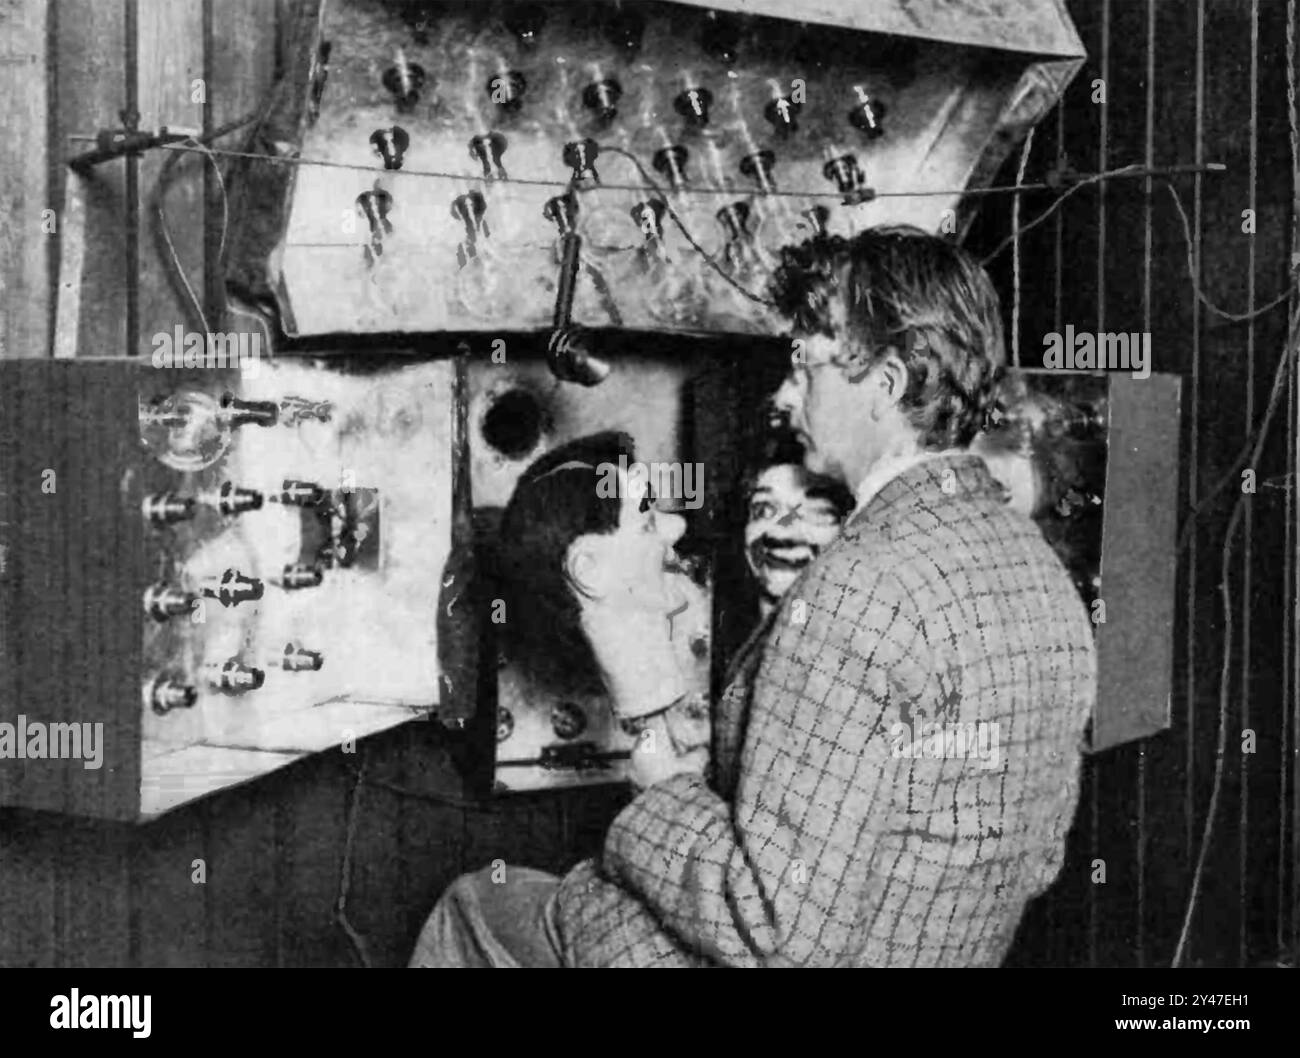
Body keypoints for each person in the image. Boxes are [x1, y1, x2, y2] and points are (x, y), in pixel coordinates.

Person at [413, 226, 1097, 967]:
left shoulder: (857, 588)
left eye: (806, 366)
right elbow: (1035, 861)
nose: (785, 391)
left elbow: (767, 925)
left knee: (474, 906)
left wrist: (659, 783)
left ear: (888, 384)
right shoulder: (1041, 575)